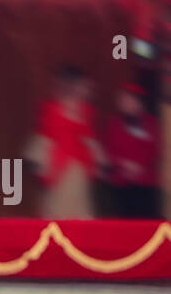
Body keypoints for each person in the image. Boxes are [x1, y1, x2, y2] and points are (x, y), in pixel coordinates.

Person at [28, 65, 103, 219]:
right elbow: (45, 136)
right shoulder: (52, 109)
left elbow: (90, 138)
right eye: (85, 84)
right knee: (57, 206)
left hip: (79, 165)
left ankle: (78, 241)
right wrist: (38, 161)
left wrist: (101, 160)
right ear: (73, 85)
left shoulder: (86, 111)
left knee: (80, 205)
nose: (88, 88)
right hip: (58, 165)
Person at [100, 83, 161, 219]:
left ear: (139, 103)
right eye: (122, 100)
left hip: (146, 183)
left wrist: (140, 167)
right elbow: (108, 151)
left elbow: (155, 149)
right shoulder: (113, 123)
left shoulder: (151, 123)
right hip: (122, 183)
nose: (124, 104)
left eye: (128, 100)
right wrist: (123, 165)